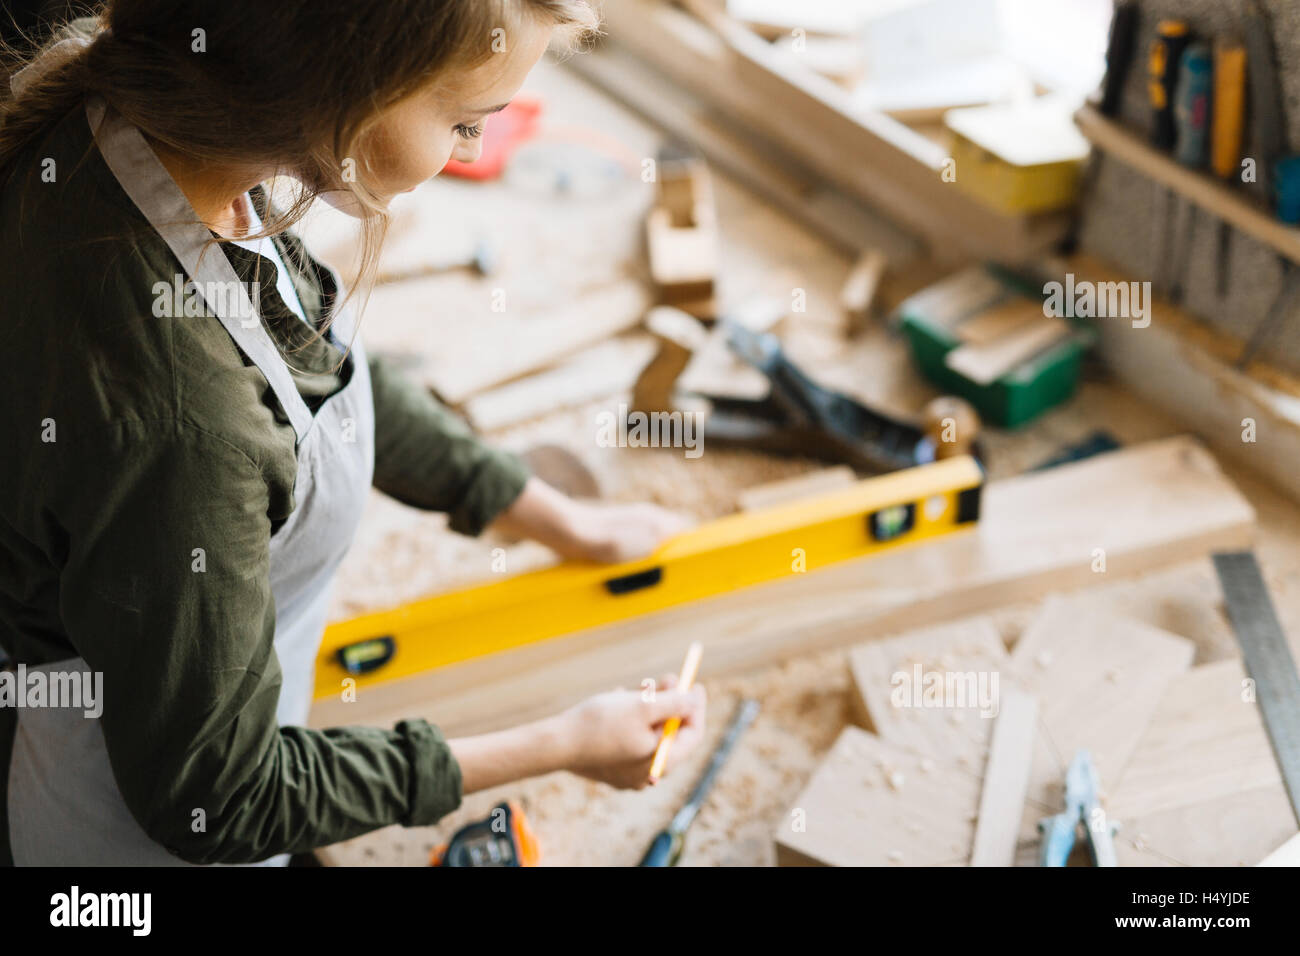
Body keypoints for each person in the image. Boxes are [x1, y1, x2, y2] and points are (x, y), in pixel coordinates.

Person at [0, 0, 706, 866]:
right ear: (342, 84)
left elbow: (318, 369)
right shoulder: (184, 425)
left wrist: (543, 513)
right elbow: (220, 795)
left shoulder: (160, 132)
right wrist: (564, 743)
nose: (473, 151)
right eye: (464, 120)